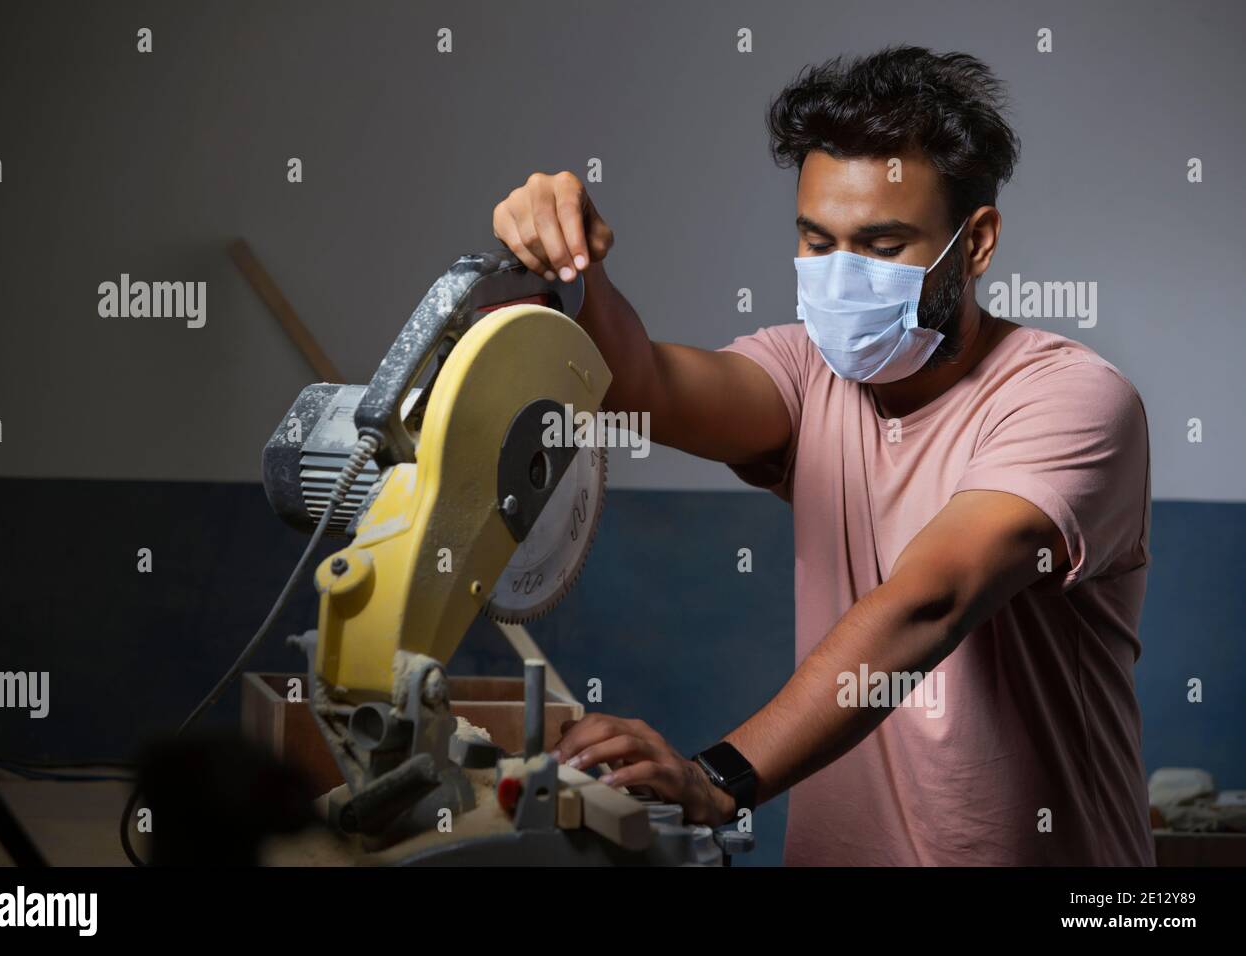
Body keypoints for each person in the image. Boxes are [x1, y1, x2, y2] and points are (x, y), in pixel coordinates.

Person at [491, 46, 1154, 866]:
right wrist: (569, 265)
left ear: (976, 242)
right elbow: (640, 385)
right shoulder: (806, 373)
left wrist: (719, 777)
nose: (843, 280)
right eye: (818, 241)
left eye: (882, 246)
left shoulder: (1071, 400)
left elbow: (931, 599)